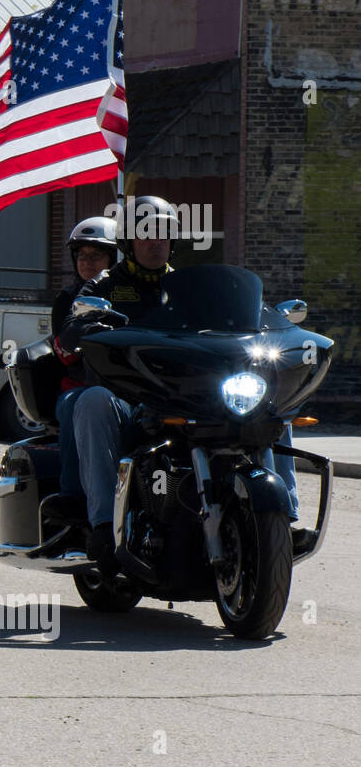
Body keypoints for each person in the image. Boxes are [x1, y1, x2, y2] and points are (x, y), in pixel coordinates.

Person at [58, 197, 298, 570]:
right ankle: (103, 524)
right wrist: (84, 326)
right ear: (128, 241)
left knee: (270, 408)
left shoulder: (191, 288)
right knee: (92, 401)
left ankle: (285, 519)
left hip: (185, 395)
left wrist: (272, 324)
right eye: (147, 234)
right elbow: (73, 327)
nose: (156, 242)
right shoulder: (105, 286)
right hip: (128, 396)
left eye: (164, 235)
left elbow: (241, 317)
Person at [43, 216, 120, 520]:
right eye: (82, 256)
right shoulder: (68, 299)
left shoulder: (128, 293)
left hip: (127, 385)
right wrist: (81, 334)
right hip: (81, 385)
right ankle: (72, 499)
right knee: (75, 407)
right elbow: (63, 351)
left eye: (96, 255)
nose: (88, 262)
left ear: (114, 257)